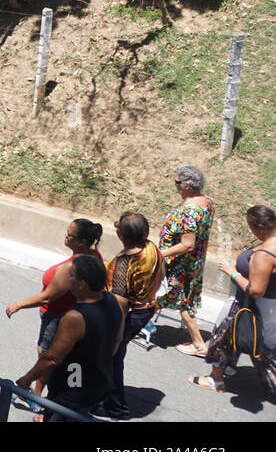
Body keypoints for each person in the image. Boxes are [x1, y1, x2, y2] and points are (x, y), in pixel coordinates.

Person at [4, 217, 104, 412]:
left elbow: (47, 298)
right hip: (74, 314)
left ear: (82, 241)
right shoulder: (95, 257)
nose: (65, 237)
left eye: (70, 234)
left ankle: (35, 395)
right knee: (58, 357)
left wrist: (18, 304)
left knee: (47, 357)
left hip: (57, 316)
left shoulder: (71, 268)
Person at [17, 254, 126, 422]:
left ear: (81, 284)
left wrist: (27, 379)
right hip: (99, 382)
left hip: (72, 391)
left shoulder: (75, 317)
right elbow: (117, 340)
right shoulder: (112, 300)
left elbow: (52, 358)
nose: (68, 279)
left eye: (71, 276)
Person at [191, 204, 276, 395]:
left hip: (251, 306)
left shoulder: (264, 255)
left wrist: (232, 272)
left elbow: (255, 290)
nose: (251, 232)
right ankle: (218, 376)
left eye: (252, 228)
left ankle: (216, 380)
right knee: (244, 343)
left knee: (226, 340)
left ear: (260, 228)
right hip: (270, 307)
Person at [99, 212, 164, 419]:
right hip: (146, 306)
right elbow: (161, 273)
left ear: (122, 234)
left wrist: (117, 336)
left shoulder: (124, 265)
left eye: (118, 227)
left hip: (127, 315)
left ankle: (116, 407)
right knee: (114, 358)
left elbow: (120, 303)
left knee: (111, 359)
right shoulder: (151, 247)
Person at [158, 164, 214, 356]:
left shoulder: (190, 210)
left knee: (181, 300)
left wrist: (159, 254)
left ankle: (199, 344)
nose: (176, 186)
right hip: (195, 262)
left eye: (178, 182)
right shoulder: (207, 202)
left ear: (189, 185)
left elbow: (187, 244)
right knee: (183, 298)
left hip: (181, 264)